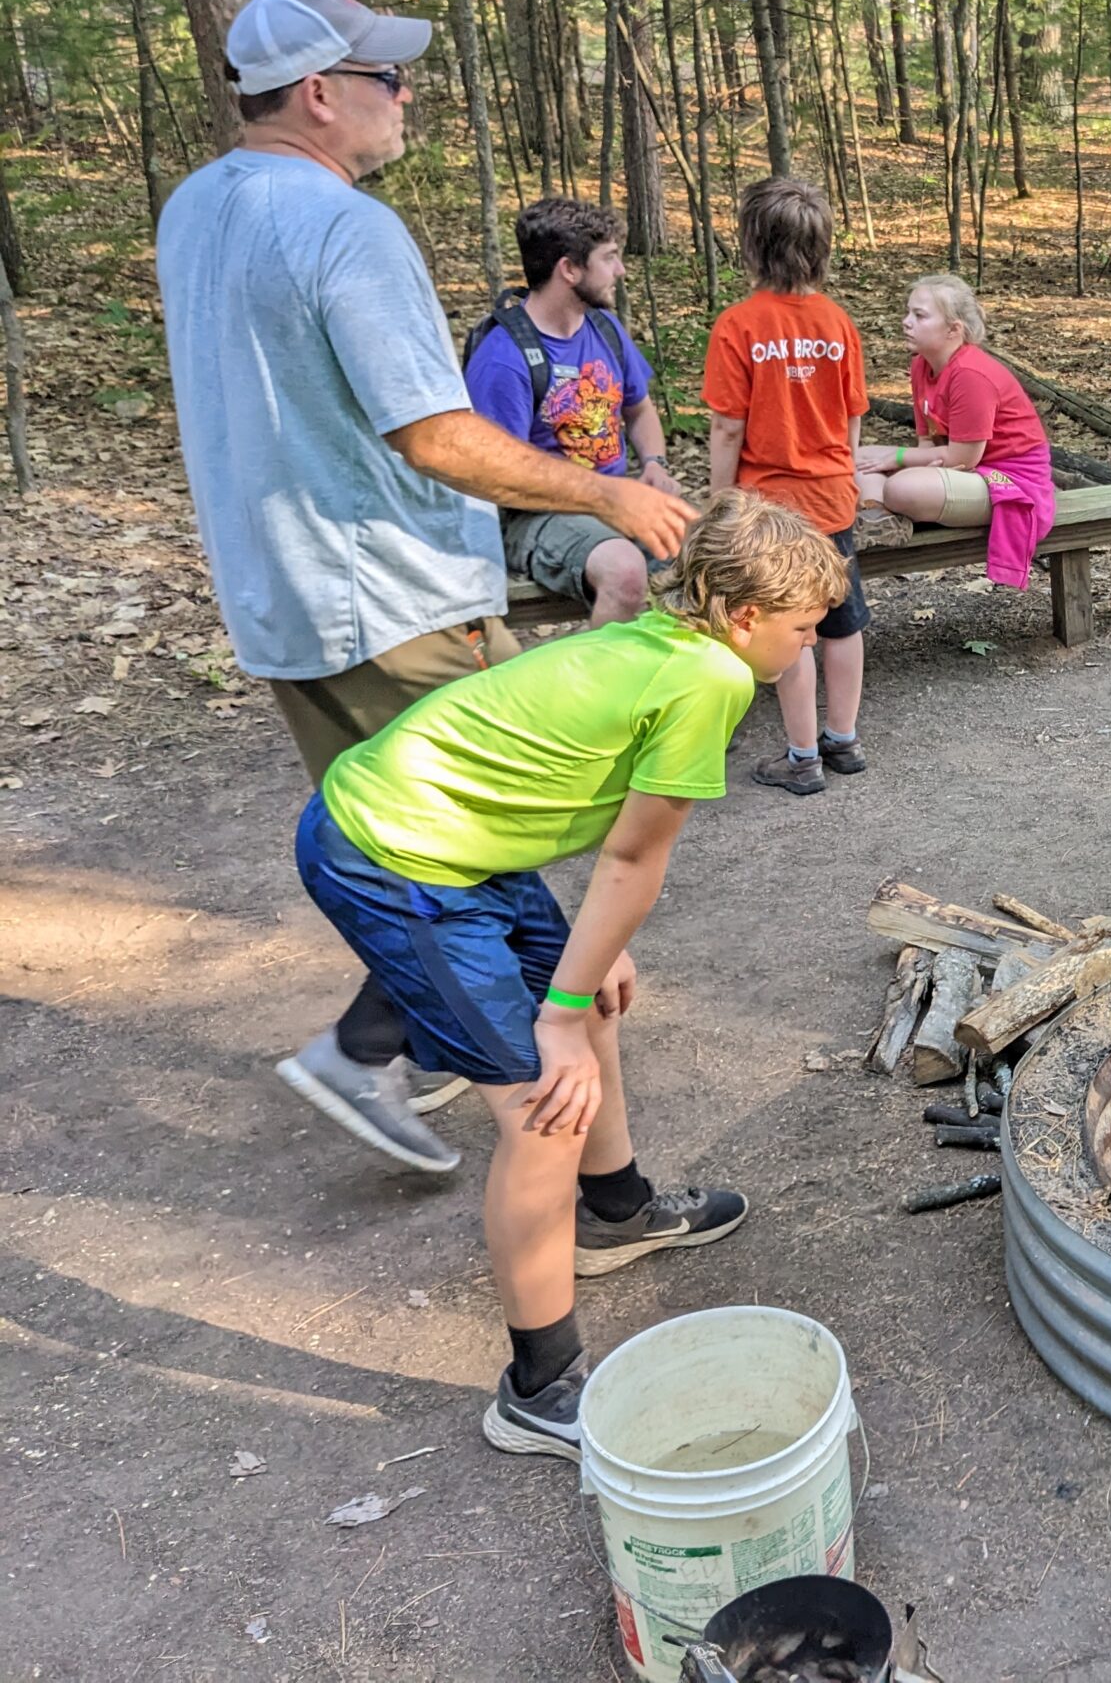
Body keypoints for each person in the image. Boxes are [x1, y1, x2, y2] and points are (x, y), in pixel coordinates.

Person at [157, 0, 696, 1175]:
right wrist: (606, 493)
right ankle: (557, 1167)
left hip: (283, 599)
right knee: (488, 866)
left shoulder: (195, 206)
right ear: (319, 93)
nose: (405, 97)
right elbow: (435, 433)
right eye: (388, 77)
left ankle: (408, 1046)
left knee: (405, 843)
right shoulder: (343, 224)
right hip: (393, 598)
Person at [294, 491, 837, 1457]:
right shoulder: (713, 677)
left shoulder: (659, 638)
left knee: (596, 1010)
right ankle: (538, 1388)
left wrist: (588, 964)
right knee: (544, 1105)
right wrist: (557, 1011)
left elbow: (560, 780)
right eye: (801, 629)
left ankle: (617, 1213)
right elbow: (633, 856)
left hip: (461, 839)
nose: (808, 644)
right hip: (394, 855)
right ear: (747, 616)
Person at [702, 176, 872, 796]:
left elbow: (727, 427)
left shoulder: (738, 325)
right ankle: (843, 739)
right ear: (821, 246)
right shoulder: (837, 322)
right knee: (843, 621)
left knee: (791, 629)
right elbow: (852, 417)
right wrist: (843, 475)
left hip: (768, 512)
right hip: (831, 500)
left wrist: (719, 504)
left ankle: (803, 757)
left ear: (753, 244)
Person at [462, 199, 684, 625]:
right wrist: (604, 500)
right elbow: (500, 480)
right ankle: (598, 672)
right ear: (569, 270)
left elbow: (640, 411)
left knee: (708, 547)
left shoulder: (604, 328)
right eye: (609, 258)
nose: (620, 271)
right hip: (537, 515)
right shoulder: (503, 360)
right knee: (624, 571)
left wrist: (654, 464)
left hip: (613, 498)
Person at [859, 273, 1058, 584]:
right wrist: (917, 462)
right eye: (908, 312)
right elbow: (928, 443)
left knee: (901, 486)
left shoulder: (970, 374)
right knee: (855, 458)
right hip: (963, 467)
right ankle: (880, 519)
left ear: (953, 329)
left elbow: (964, 457)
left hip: (1009, 479)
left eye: (919, 315)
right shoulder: (921, 364)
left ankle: (891, 507)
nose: (906, 322)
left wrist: (899, 459)